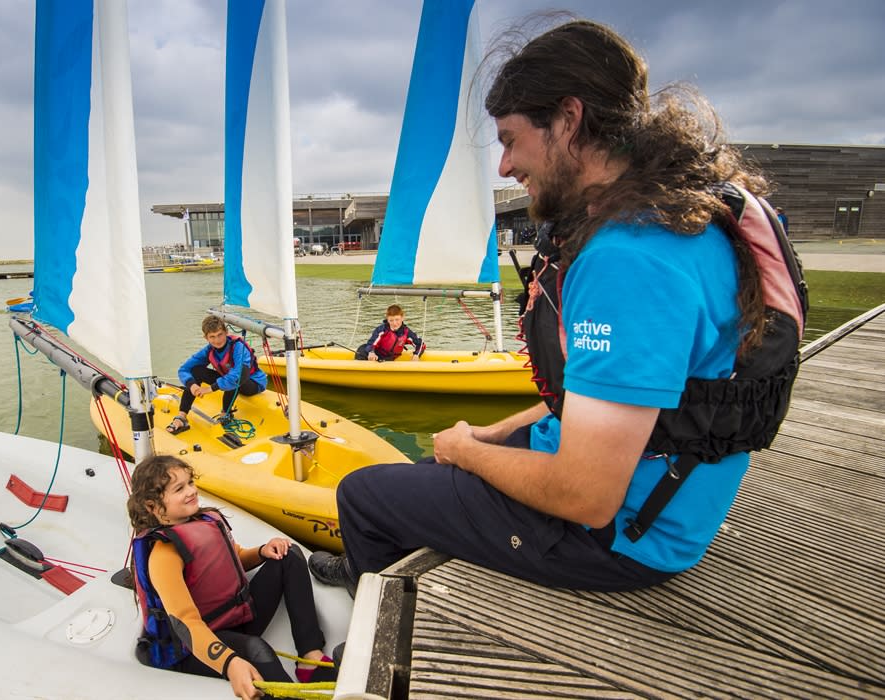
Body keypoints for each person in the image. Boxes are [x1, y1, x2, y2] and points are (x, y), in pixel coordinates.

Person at [309, 18, 782, 595]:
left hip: (620, 538)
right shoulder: (689, 214)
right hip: (660, 495)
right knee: (435, 467)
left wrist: (467, 450)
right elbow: (617, 399)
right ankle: (378, 546)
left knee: (362, 495)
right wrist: (492, 434)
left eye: (509, 140)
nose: (505, 166)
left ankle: (367, 593)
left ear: (568, 119)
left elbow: (587, 496)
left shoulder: (627, 260)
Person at [129, 455, 335, 700]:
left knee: (289, 555)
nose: (191, 491)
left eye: (190, 482)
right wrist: (229, 662)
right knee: (257, 650)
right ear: (152, 506)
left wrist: (262, 552)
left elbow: (234, 557)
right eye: (179, 489)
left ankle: (310, 658)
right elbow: (186, 622)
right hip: (193, 646)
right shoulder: (164, 553)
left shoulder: (206, 520)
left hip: (237, 616)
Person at [168, 315, 267, 434]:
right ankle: (182, 417)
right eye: (212, 337)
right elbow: (184, 369)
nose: (217, 340)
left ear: (226, 332)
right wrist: (192, 385)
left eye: (220, 334)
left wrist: (210, 388)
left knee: (233, 377)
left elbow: (240, 374)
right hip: (229, 380)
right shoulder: (209, 350)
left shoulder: (238, 346)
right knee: (196, 371)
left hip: (252, 383)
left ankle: (226, 413)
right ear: (206, 338)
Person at [353, 304, 426, 362]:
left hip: (387, 359)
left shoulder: (406, 332)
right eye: (391, 320)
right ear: (387, 319)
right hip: (372, 355)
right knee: (362, 349)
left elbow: (421, 344)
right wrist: (371, 352)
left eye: (397, 320)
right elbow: (371, 343)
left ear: (402, 318)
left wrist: (416, 355)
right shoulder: (382, 329)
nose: (394, 323)